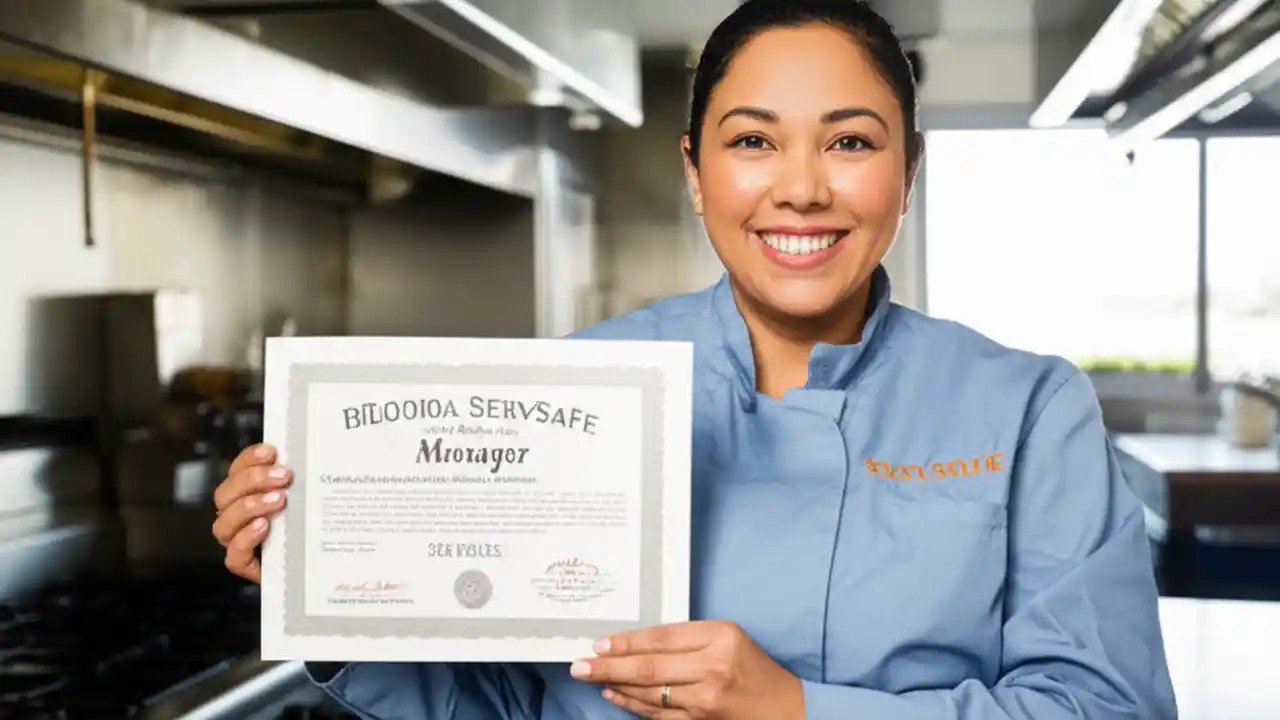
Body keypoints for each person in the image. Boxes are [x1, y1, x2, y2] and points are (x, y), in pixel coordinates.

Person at [211, 0, 1178, 717]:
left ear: (909, 171)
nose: (801, 189)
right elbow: (504, 701)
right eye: (753, 140)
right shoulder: (580, 386)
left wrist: (794, 709)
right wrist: (331, 592)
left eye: (850, 141)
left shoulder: (1028, 408)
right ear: (695, 170)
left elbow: (1105, 707)